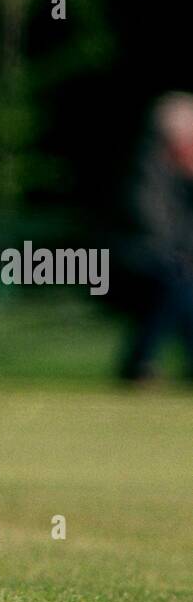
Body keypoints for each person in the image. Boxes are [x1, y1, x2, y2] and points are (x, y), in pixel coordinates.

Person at [118, 92, 193, 384]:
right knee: (178, 280)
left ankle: (142, 362)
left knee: (182, 283)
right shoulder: (144, 173)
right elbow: (152, 228)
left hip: (169, 269)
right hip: (128, 268)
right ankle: (141, 363)